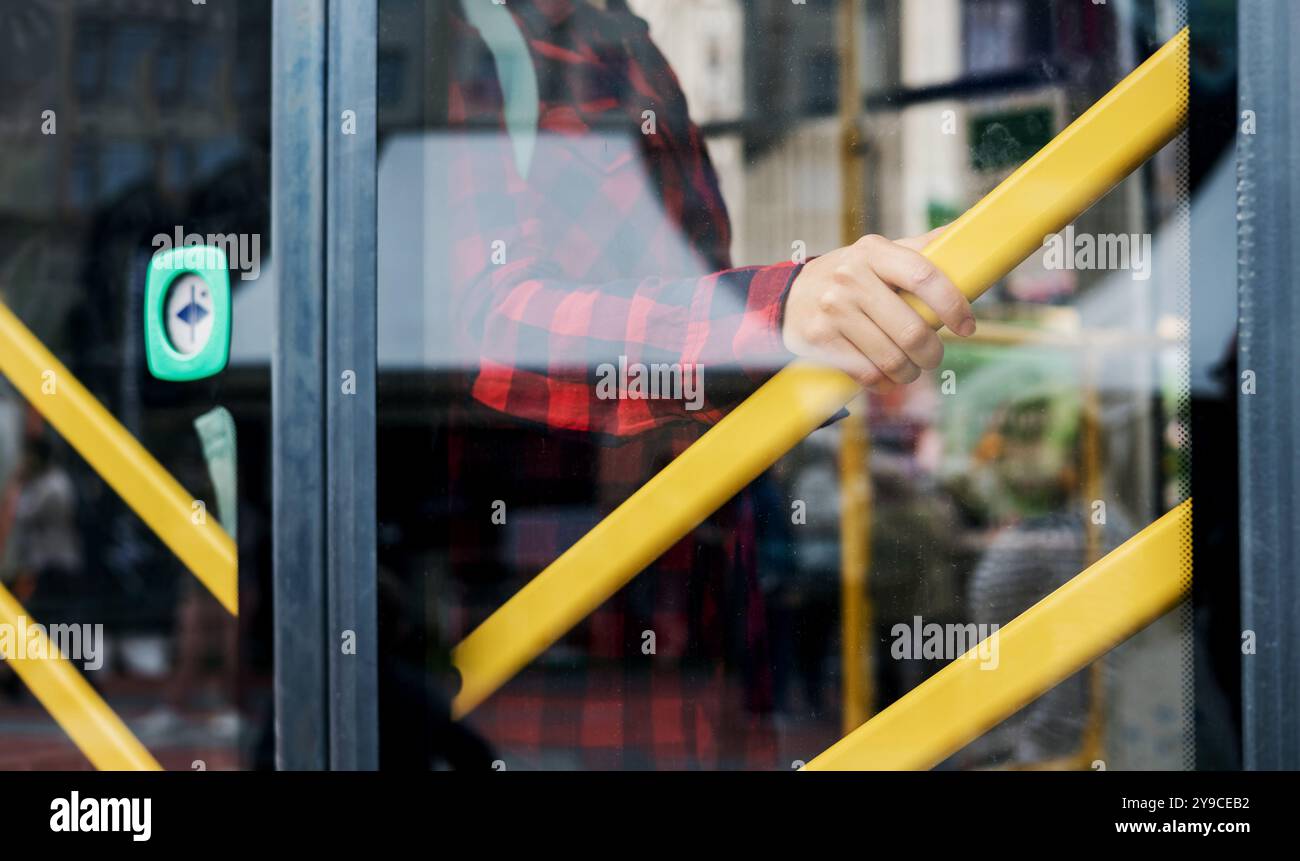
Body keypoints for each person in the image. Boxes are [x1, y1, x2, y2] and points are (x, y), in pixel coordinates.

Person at [431, 0, 974, 768]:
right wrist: (774, 315)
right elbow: (489, 327)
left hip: (698, 620)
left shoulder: (626, 41)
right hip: (562, 638)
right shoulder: (473, 34)